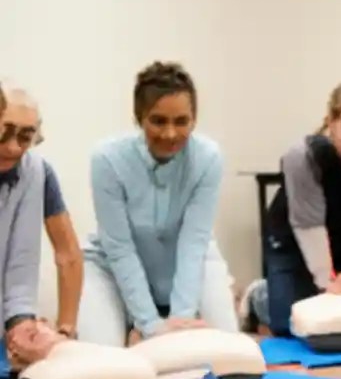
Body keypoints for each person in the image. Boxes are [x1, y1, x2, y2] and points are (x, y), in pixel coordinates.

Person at [79, 62, 237, 347]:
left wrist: (180, 322)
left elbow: (194, 242)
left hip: (190, 259)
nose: (170, 134)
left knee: (227, 353)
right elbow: (119, 248)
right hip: (109, 267)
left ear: (194, 119)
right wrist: (150, 326)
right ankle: (130, 327)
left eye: (181, 121)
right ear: (139, 117)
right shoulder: (107, 159)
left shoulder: (208, 158)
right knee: (103, 364)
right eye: (158, 121)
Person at [242, 81, 341, 337]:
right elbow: (309, 224)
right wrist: (327, 281)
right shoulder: (302, 156)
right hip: (294, 235)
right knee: (292, 325)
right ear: (331, 122)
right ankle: (259, 297)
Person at [0, 86, 84, 340]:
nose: (14, 147)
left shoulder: (37, 173)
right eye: (5, 134)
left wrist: (65, 330)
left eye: (25, 137)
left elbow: (68, 254)